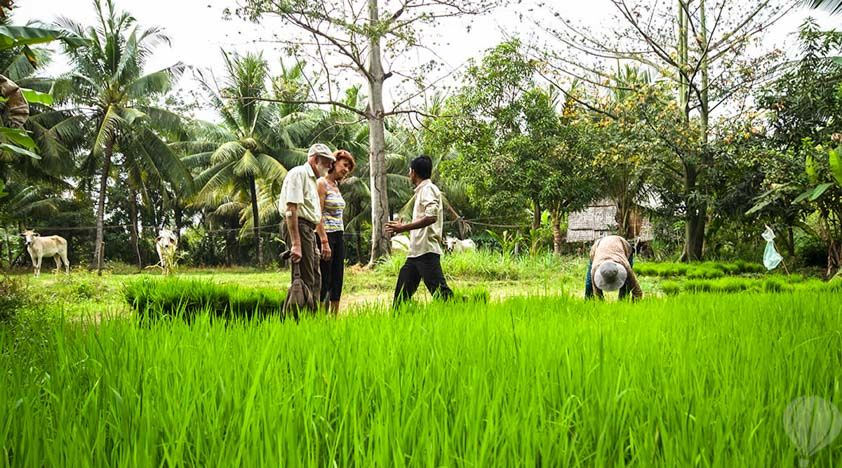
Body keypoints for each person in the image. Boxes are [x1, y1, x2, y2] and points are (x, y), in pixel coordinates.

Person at [385, 155, 453, 307]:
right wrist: (403, 227)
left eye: (410, 171)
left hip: (426, 252)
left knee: (442, 295)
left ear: (414, 172)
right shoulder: (422, 191)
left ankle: (468, 308)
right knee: (401, 298)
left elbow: (431, 216)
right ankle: (397, 323)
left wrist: (403, 227)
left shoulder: (428, 189)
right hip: (416, 253)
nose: (409, 174)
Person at [279, 143, 336, 312]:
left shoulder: (313, 180)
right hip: (299, 227)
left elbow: (314, 214)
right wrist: (296, 243)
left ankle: (311, 317)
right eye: (327, 161)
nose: (329, 166)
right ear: (315, 159)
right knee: (304, 278)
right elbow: (291, 210)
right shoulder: (299, 174)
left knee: (315, 276)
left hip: (308, 229)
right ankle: (300, 317)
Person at [317, 149, 355, 315]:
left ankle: (334, 317)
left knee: (337, 277)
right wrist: (324, 241)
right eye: (344, 165)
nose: (346, 170)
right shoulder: (321, 183)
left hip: (339, 235)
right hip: (326, 236)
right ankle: (320, 316)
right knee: (325, 277)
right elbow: (317, 214)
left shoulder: (336, 187)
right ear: (334, 162)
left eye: (349, 168)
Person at [584, 235, 643, 301]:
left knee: (626, 283)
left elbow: (637, 292)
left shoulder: (625, 265)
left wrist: (634, 306)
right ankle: (587, 302)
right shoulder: (595, 269)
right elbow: (597, 294)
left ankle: (622, 302)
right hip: (598, 247)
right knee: (589, 285)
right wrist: (601, 307)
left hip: (622, 245)